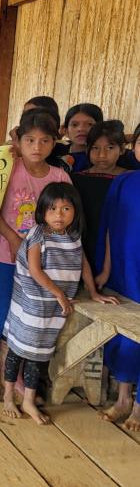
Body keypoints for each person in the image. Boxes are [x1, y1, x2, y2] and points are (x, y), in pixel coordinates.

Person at [0, 108, 71, 401]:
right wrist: (12, 238)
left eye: (44, 141)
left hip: (42, 262)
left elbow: (66, 216)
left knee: (30, 317)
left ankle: (20, 378)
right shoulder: (8, 169)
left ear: (54, 142)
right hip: (6, 254)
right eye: (29, 140)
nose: (36, 147)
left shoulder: (60, 176)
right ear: (19, 140)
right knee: (0, 312)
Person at [2, 183, 117, 425]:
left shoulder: (73, 236)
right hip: (31, 306)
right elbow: (34, 270)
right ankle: (8, 396)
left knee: (38, 356)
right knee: (17, 351)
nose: (59, 214)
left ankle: (29, 401)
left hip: (52, 308)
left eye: (66, 208)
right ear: (42, 210)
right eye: (53, 208)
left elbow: (83, 262)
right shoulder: (37, 234)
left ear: (76, 212)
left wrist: (93, 292)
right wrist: (60, 295)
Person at [96, 128, 140, 432]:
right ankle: (123, 398)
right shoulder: (124, 182)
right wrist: (105, 270)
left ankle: (139, 406)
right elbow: (108, 229)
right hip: (125, 272)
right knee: (124, 335)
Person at [71, 121, 127, 268]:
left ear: (122, 149)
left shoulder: (130, 179)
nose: (102, 155)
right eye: (95, 148)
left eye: (110, 148)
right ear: (87, 149)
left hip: (118, 243)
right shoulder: (76, 179)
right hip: (85, 245)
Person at [61, 103, 103, 172]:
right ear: (66, 131)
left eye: (90, 124)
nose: (81, 129)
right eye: (74, 125)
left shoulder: (103, 157)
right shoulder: (56, 150)